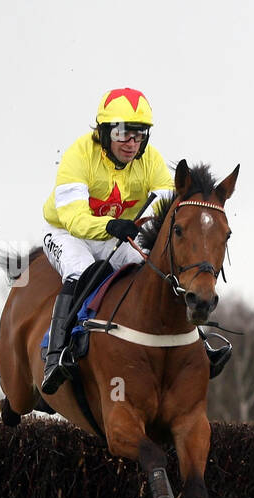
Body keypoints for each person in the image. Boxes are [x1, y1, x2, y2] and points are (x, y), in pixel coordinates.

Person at [39, 87, 175, 394]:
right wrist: (113, 225)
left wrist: (141, 226)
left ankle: (196, 344)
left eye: (139, 134)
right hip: (68, 233)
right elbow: (74, 219)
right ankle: (55, 355)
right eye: (123, 133)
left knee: (154, 271)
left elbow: (166, 206)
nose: (131, 143)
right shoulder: (78, 155)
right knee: (81, 271)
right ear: (104, 132)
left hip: (119, 232)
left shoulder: (151, 160)